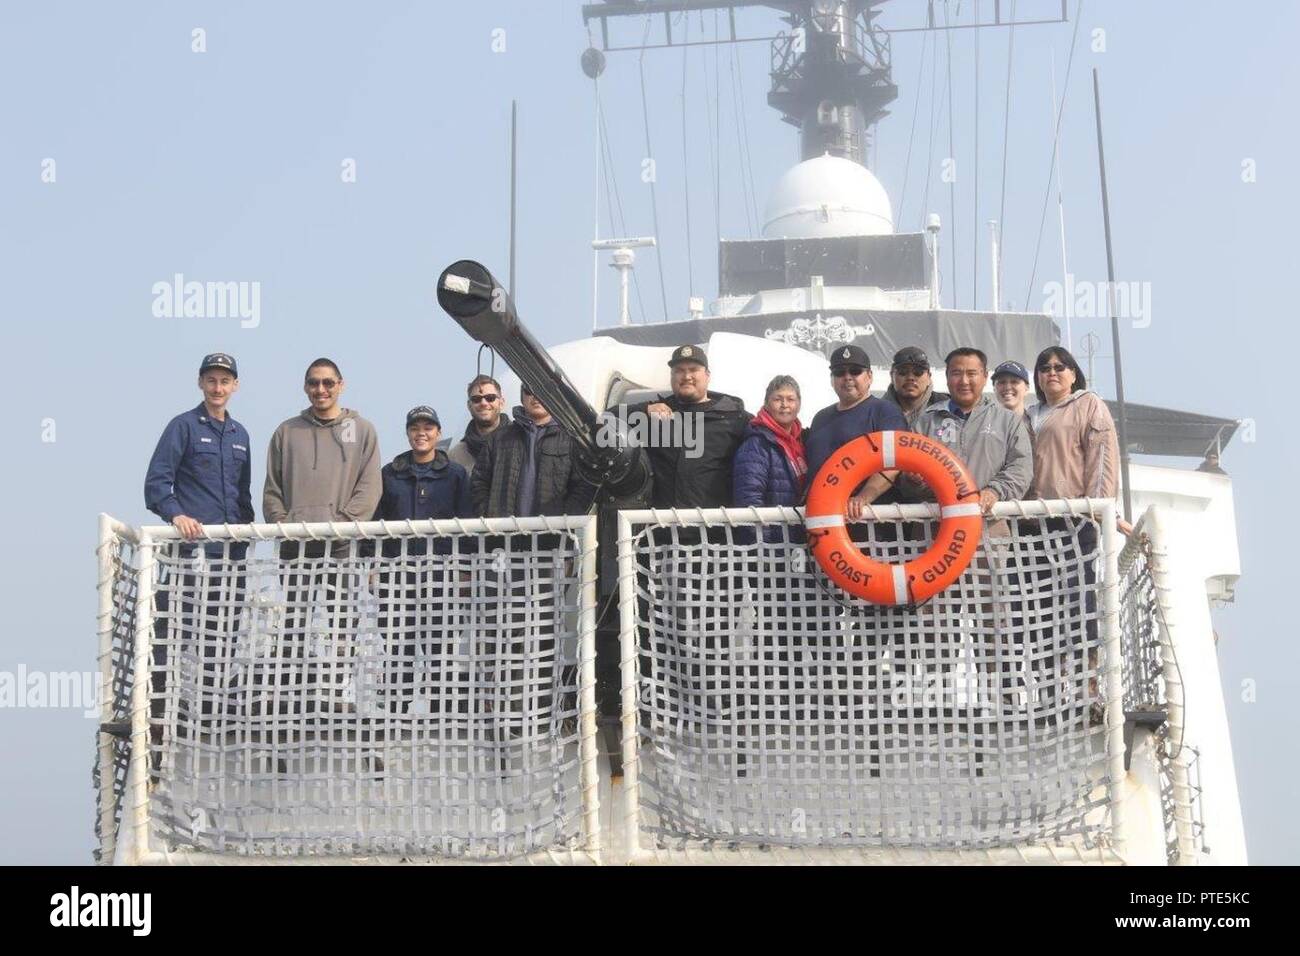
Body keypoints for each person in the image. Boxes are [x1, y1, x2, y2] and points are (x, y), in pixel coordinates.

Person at [143, 352, 255, 761]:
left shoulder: (241, 434)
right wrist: (177, 515)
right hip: (189, 556)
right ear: (200, 383)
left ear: (235, 386)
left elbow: (243, 497)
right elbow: (157, 483)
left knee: (222, 636)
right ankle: (159, 712)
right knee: (174, 633)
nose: (218, 387)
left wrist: (245, 541)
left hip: (229, 559)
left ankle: (210, 712)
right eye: (211, 380)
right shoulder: (183, 427)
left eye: (225, 381)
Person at [263, 358, 383, 723]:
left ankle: (337, 693)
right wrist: (284, 524)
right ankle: (292, 695)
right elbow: (271, 489)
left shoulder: (362, 430)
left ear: (341, 385)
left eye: (328, 383)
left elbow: (370, 486)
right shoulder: (286, 432)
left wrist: (343, 524)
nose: (321, 390)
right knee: (295, 622)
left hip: (343, 545)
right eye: (314, 383)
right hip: (296, 546)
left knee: (343, 620)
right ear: (305, 387)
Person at [1026, 345, 1124, 725]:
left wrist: (1096, 509)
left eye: (1059, 367)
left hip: (1074, 520)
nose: (1051, 372)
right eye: (1044, 367)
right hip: (1034, 524)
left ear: (1073, 374)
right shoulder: (1030, 413)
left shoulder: (1087, 405)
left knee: (1077, 606)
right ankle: (1049, 695)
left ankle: (1088, 691)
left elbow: (1101, 458)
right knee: (1040, 610)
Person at [371, 406, 472, 718]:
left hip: (440, 577)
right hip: (397, 577)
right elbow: (375, 523)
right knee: (398, 649)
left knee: (441, 651)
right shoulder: (390, 474)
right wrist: (373, 567)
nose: (422, 433)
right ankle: (394, 717)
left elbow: (467, 526)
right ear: (408, 433)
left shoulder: (455, 475)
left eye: (428, 428)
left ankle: (441, 718)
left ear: (438, 434)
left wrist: (465, 571)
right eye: (415, 428)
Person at [627, 345, 751, 509]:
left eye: (693, 369)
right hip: (663, 530)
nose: (686, 376)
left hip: (717, 530)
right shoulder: (654, 414)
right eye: (679, 370)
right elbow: (604, 421)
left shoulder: (735, 417)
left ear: (707, 375)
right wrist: (644, 409)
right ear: (671, 377)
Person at [910, 348, 1033, 511]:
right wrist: (914, 482)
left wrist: (994, 491)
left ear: (985, 377)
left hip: (991, 525)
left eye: (972, 373)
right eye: (956, 373)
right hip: (935, 527)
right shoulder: (924, 422)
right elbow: (907, 476)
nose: (964, 381)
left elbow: (1021, 468)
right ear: (946, 378)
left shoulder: (1008, 421)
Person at [804, 345, 907, 517]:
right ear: (832, 379)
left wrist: (863, 497)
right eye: (839, 372)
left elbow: (893, 465)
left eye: (855, 371)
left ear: (869, 377)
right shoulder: (820, 418)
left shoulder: (886, 412)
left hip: (870, 519)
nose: (847, 377)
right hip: (823, 517)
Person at [471, 384, 596, 517]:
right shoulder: (498, 439)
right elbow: (479, 482)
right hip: (505, 534)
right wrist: (487, 514)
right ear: (522, 397)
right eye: (529, 391)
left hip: (554, 534)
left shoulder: (570, 439)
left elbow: (584, 485)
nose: (536, 396)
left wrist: (564, 519)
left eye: (542, 389)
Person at [448, 375, 506, 476]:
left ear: (501, 403)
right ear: (469, 406)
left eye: (490, 398)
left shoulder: (522, 442)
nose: (483, 403)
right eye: (476, 399)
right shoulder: (455, 456)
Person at [882, 346, 946, 430]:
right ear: (892, 376)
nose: (910, 377)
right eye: (903, 372)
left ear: (929, 377)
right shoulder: (875, 412)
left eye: (918, 372)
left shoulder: (948, 410)